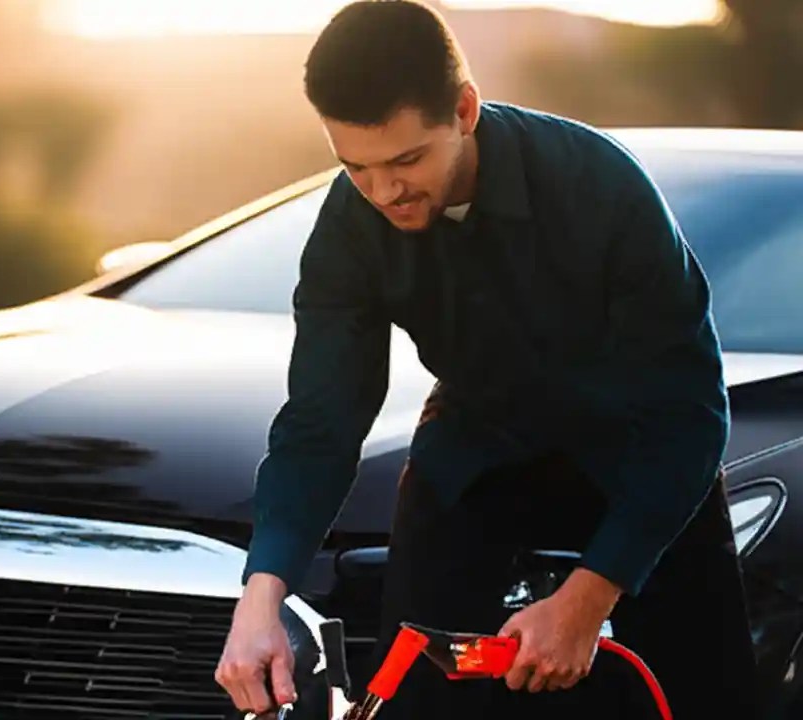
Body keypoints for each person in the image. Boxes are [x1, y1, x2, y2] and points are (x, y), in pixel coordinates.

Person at [213, 1, 761, 718]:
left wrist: (589, 600)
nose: (384, 192)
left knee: (703, 697)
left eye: (407, 160)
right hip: (474, 459)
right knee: (419, 703)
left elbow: (690, 413)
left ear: (465, 110)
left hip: (642, 465)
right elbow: (321, 421)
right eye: (356, 167)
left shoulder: (602, 189)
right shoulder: (349, 228)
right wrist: (261, 600)